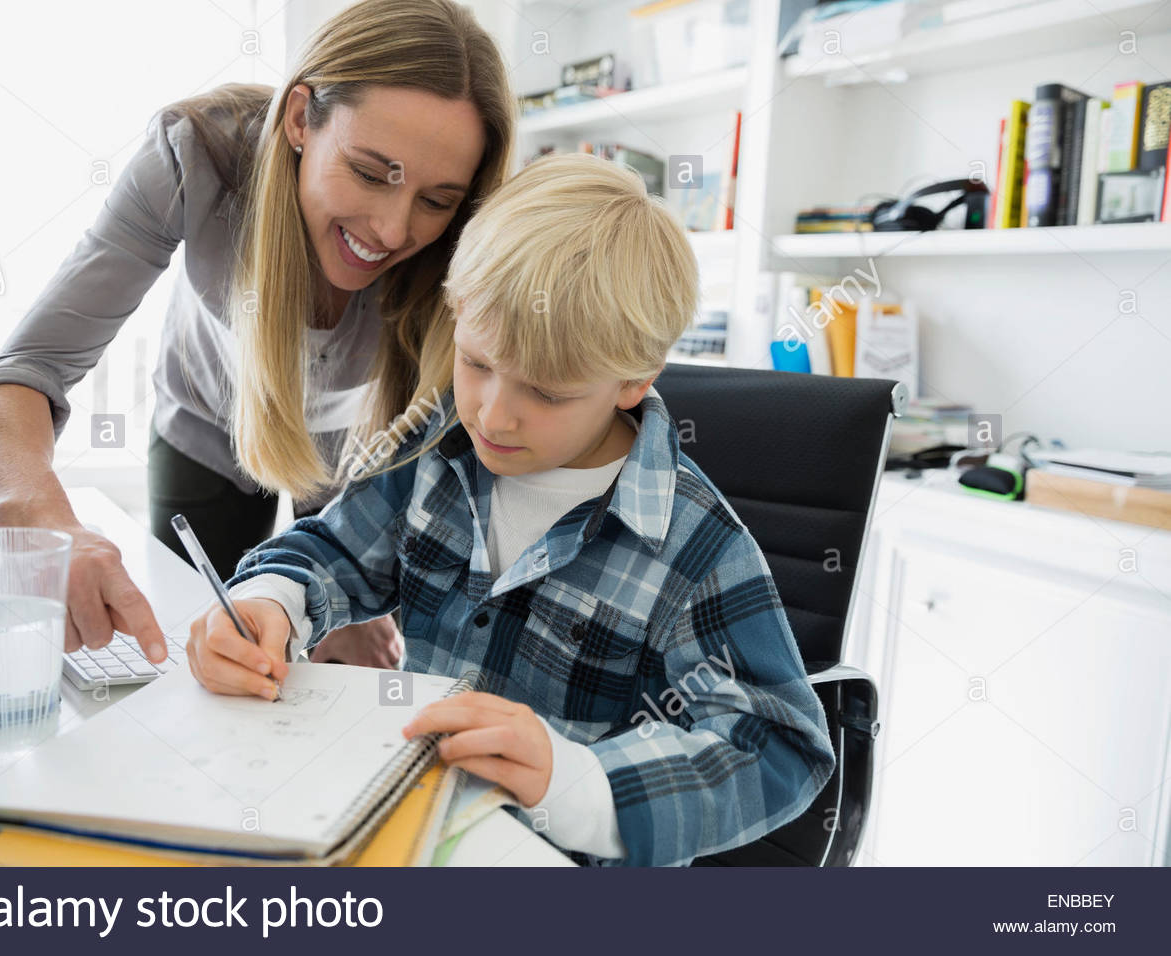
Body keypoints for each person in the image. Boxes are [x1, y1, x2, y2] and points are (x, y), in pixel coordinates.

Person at [186, 153, 836, 866]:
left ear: (633, 380)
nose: (494, 416)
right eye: (477, 363)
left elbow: (781, 747)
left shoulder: (695, 546)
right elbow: (334, 552)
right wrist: (270, 604)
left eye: (547, 393)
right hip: (412, 832)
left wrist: (576, 780)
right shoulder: (440, 446)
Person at [0, 0, 514, 668]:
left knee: (339, 665)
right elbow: (22, 371)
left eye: (435, 200)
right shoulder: (195, 156)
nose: (392, 231)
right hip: (205, 425)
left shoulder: (472, 243)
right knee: (187, 648)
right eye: (368, 171)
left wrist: (348, 597)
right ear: (301, 117)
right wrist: (41, 519)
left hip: (354, 454)